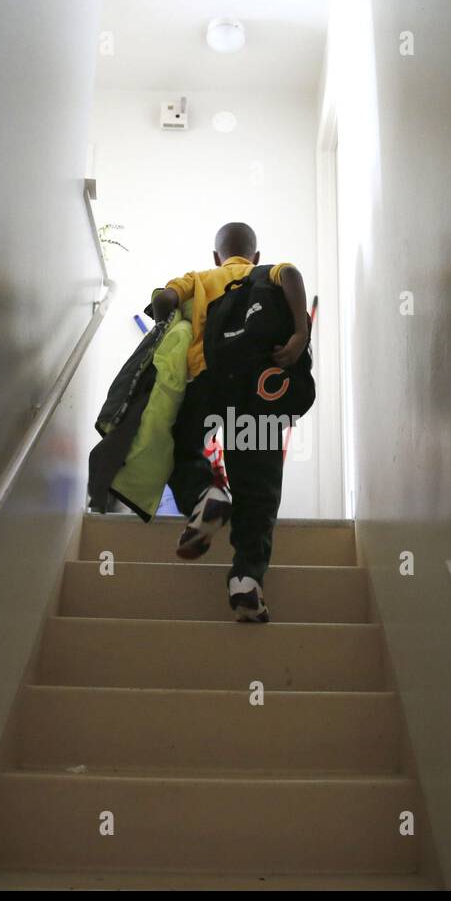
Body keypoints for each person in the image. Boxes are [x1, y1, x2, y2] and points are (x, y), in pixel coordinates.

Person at [149, 222, 309, 622]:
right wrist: (300, 334)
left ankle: (206, 496)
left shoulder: (200, 278)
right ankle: (246, 581)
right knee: (258, 485)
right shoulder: (267, 271)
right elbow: (290, 274)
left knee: (183, 447)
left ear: (215, 256)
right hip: (259, 385)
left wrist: (163, 304)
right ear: (254, 256)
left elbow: (165, 298)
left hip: (210, 380)